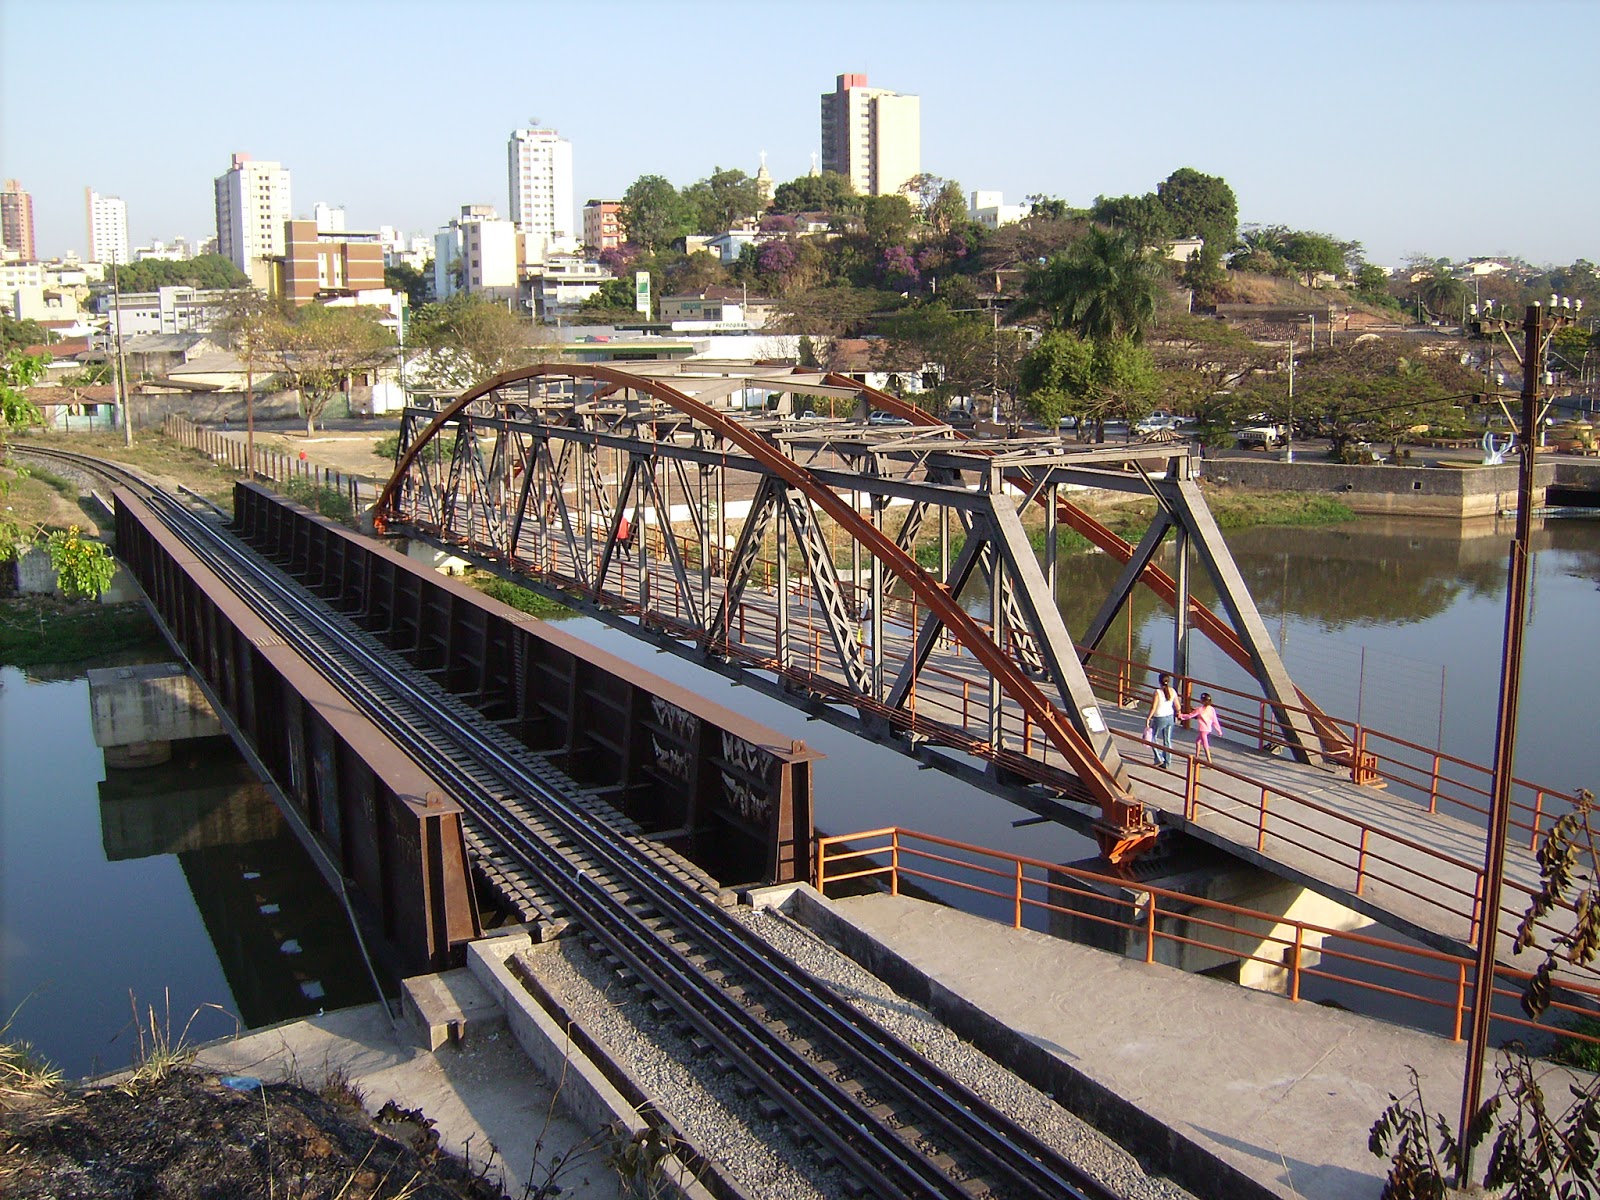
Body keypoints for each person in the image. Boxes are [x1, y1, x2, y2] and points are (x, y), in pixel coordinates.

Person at [1144, 673, 1179, 767]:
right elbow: (1177, 706)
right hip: (1170, 717)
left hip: (1159, 717)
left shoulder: (1157, 692)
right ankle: (1167, 762)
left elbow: (1153, 707)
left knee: (1152, 737)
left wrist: (1148, 718)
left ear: (1159, 681)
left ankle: (1158, 758)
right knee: (1167, 740)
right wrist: (1179, 713)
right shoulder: (1172, 691)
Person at [1179, 692, 1221, 764]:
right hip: (1208, 729)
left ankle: (1209, 762)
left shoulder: (1199, 709)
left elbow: (1190, 715)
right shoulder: (1211, 709)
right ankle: (1197, 757)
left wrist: (1181, 716)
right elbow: (1215, 720)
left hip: (1202, 729)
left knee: (1205, 745)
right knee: (1198, 742)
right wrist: (1218, 730)